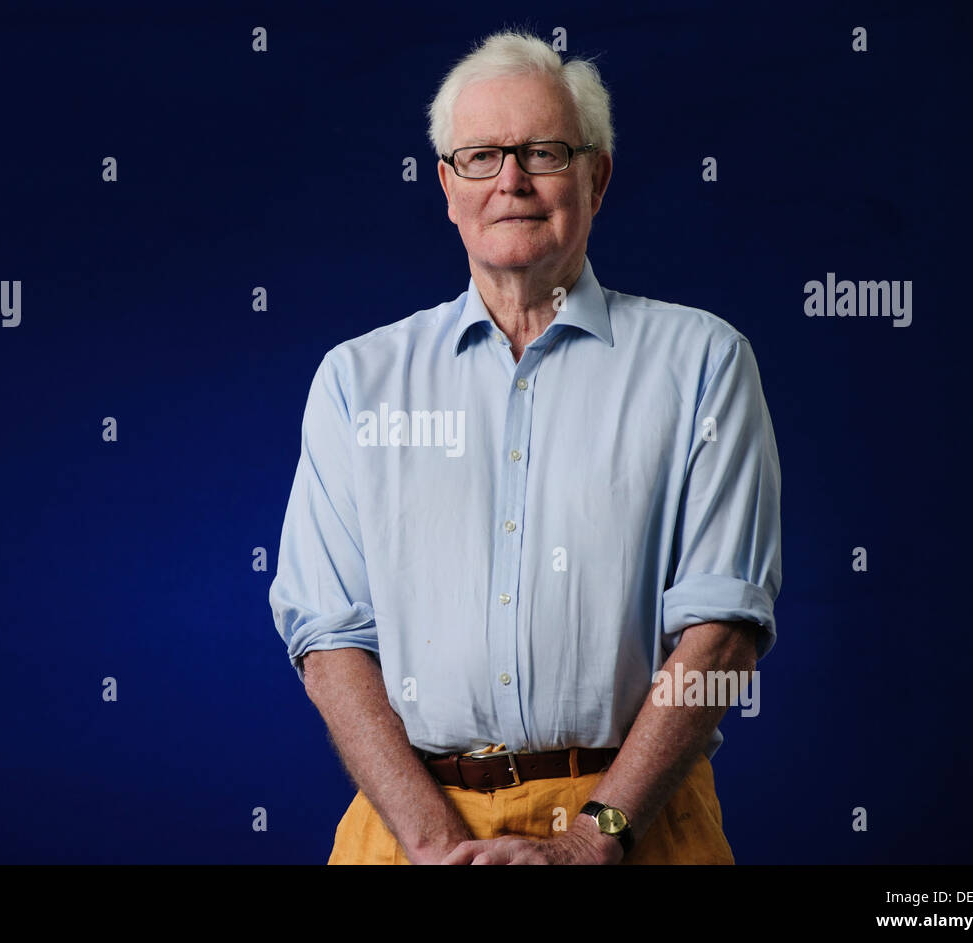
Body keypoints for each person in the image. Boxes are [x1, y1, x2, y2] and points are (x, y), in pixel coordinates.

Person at [269, 30, 782, 865]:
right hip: (410, 835)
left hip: (637, 831)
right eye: (480, 156)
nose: (510, 180)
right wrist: (432, 840)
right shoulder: (356, 381)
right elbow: (327, 641)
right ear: (447, 185)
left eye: (542, 151)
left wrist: (594, 838)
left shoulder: (703, 363)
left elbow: (725, 635)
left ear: (596, 176)